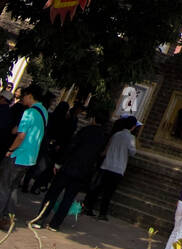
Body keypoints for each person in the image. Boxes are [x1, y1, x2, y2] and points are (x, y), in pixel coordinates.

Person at [34, 111, 108, 231]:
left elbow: (71, 146)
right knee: (68, 198)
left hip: (69, 166)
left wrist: (59, 163)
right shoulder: (103, 137)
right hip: (83, 171)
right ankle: (55, 224)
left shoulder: (86, 130)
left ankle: (40, 219)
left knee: (53, 193)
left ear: (94, 119)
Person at [0, 86, 48, 226]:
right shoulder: (43, 111)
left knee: (4, 186)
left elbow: (21, 136)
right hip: (30, 157)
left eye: (24, 96)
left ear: (30, 96)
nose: (22, 99)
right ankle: (8, 217)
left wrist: (10, 149)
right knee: (14, 187)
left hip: (19, 154)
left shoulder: (29, 112)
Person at [84, 117, 137, 220]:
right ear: (133, 127)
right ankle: (102, 213)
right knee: (108, 193)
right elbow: (132, 152)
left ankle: (88, 207)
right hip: (118, 168)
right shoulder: (130, 138)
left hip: (107, 165)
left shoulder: (116, 135)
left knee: (99, 188)